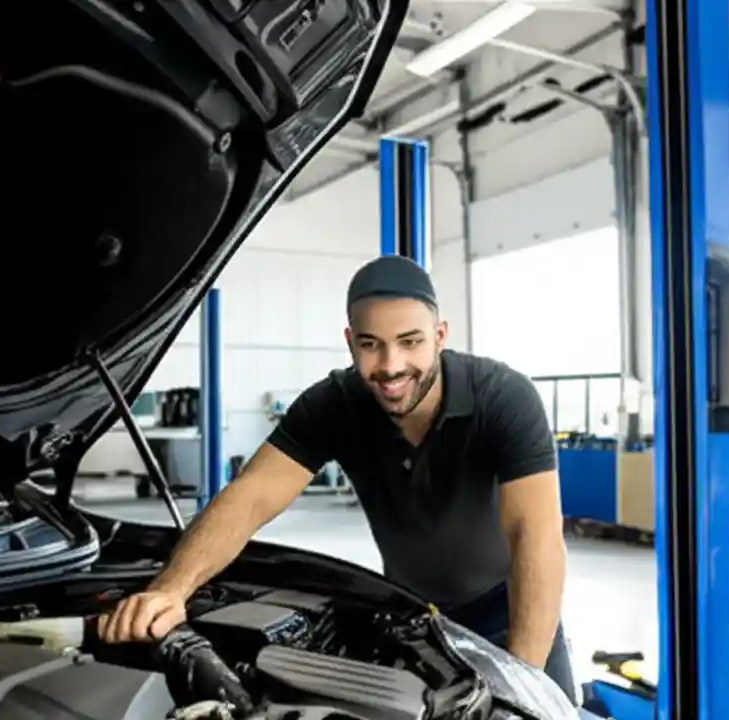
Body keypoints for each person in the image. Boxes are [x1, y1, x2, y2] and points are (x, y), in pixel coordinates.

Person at [97, 255, 575, 701]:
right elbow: (250, 497)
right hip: (419, 622)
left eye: (410, 341)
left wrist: (523, 683)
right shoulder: (334, 405)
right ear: (350, 342)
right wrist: (171, 589)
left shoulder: (503, 399)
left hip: (509, 612)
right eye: (371, 344)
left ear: (440, 335)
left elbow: (535, 539)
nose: (390, 365)